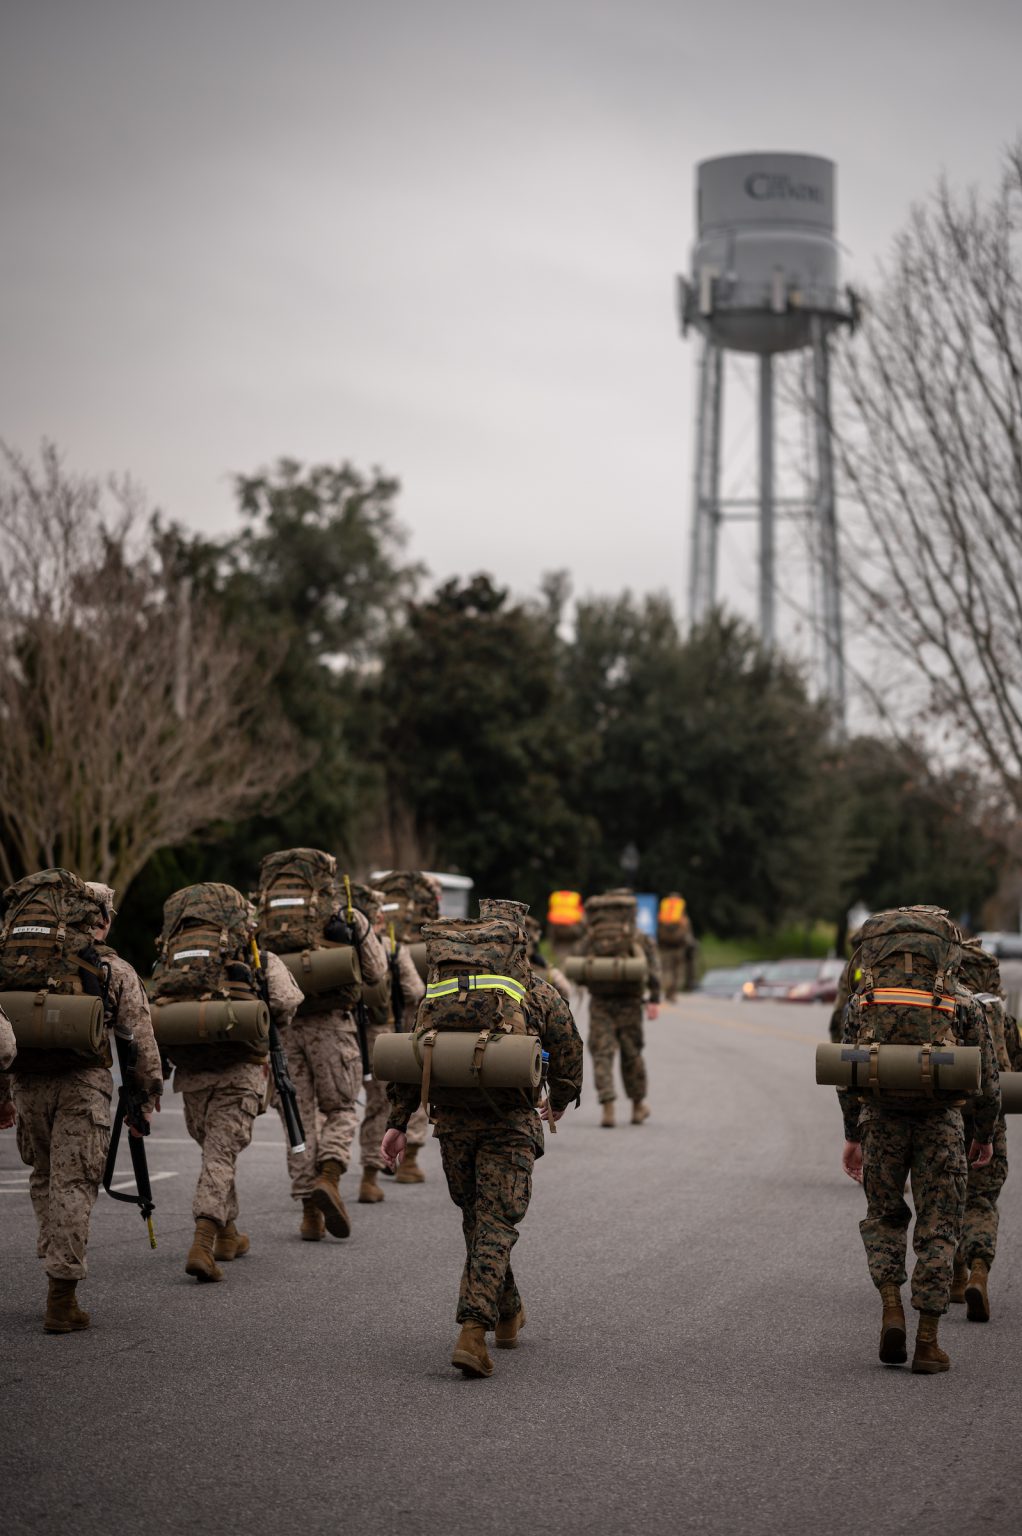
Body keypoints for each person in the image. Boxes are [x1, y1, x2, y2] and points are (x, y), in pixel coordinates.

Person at [382, 897, 583, 1379]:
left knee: (480, 1218)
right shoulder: (534, 989)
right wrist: (560, 1097)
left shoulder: (439, 993)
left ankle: (508, 1313)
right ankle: (474, 1329)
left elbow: (416, 1054)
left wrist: (397, 1120)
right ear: (517, 944)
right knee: (495, 1223)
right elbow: (569, 1046)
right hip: (509, 1124)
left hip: (451, 1125)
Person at [838, 906, 1000, 1373]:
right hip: (941, 1124)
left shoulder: (861, 1004)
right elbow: (987, 1079)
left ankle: (891, 1307)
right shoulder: (963, 1005)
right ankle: (928, 1343)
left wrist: (854, 1135)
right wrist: (984, 1134)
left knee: (884, 1217)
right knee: (940, 1228)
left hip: (881, 1121)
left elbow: (848, 1074)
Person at [0, 875, 162, 1332]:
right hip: (83, 1085)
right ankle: (62, 1295)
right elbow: (140, 1038)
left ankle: (54, 1254)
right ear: (101, 920)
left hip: (25, 1081)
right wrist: (144, 1097)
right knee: (75, 1181)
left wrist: (1, 1096)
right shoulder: (110, 967)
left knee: (45, 1175)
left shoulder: (11, 960)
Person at [157, 882, 303, 1281]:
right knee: (220, 1157)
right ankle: (203, 1242)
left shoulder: (174, 962)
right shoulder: (256, 958)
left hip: (191, 1075)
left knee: (214, 1153)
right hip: (240, 1071)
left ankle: (228, 1234)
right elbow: (288, 1002)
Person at [269, 864, 388, 1241]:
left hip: (286, 1032)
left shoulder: (267, 921)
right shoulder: (345, 915)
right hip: (334, 1028)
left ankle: (309, 1214)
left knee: (299, 1119)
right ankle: (330, 1177)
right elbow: (376, 971)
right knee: (340, 1109)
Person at [950, 940, 1021, 1321]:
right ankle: (978, 1270)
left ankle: (955, 1279)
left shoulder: (948, 1010)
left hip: (946, 1115)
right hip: (990, 1121)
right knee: (981, 1200)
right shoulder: (1003, 1020)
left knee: (946, 1196)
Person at [352, 883, 427, 1204]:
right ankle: (377, 1174)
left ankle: (319, 1173)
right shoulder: (390, 948)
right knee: (383, 1102)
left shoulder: (332, 951)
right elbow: (416, 991)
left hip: (339, 1032)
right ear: (375, 918)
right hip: (379, 1036)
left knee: (331, 1109)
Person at [578, 890, 660, 1128]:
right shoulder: (639, 937)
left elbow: (579, 969)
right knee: (632, 1053)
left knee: (602, 1053)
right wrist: (654, 998)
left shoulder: (592, 937)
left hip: (600, 1002)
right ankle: (637, 1107)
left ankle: (608, 1109)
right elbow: (653, 970)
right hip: (631, 1002)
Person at [657, 894, 697, 1000]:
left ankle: (668, 988)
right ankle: (673, 990)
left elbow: (657, 931)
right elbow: (688, 933)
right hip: (679, 947)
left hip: (664, 947)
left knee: (666, 969)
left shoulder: (663, 916)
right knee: (677, 969)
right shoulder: (683, 919)